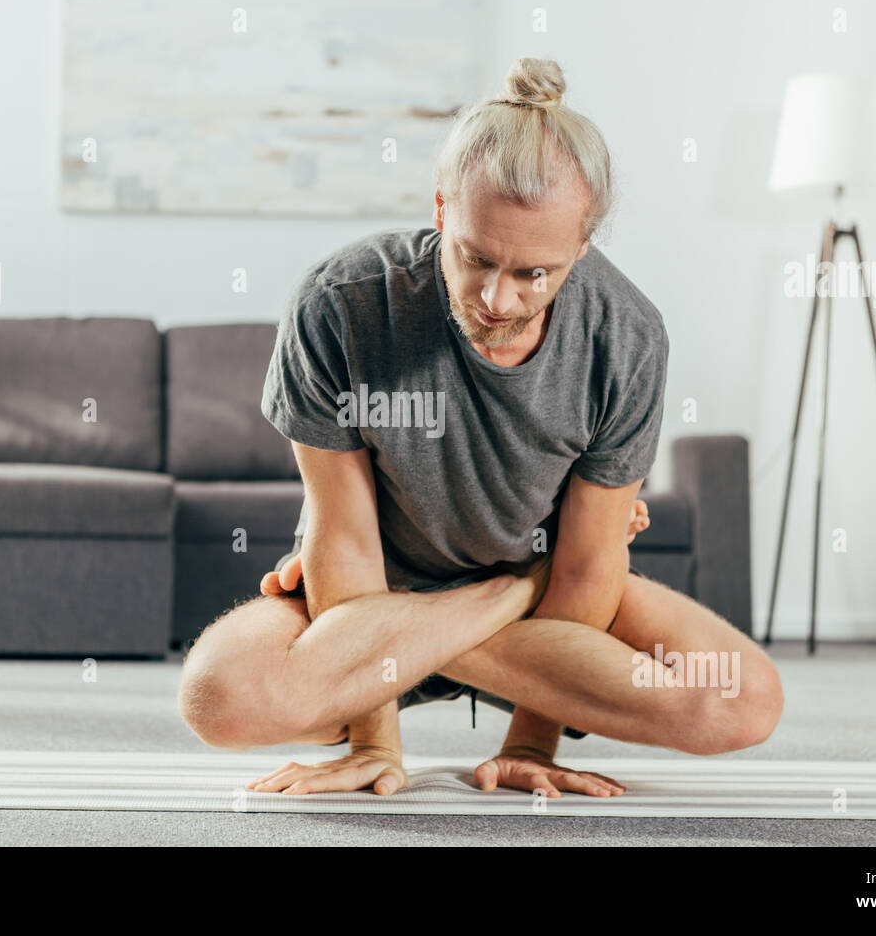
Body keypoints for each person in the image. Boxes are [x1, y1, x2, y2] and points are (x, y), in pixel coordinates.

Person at [178, 57, 783, 798]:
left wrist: (532, 739)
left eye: (535, 273)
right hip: (380, 591)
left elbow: (590, 569)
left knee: (743, 695)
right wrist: (374, 737)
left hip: (542, 614)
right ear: (440, 209)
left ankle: (473, 621)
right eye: (476, 257)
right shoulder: (340, 306)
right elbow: (343, 539)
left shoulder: (627, 336)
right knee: (219, 694)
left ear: (582, 246)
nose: (498, 297)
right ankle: (492, 602)